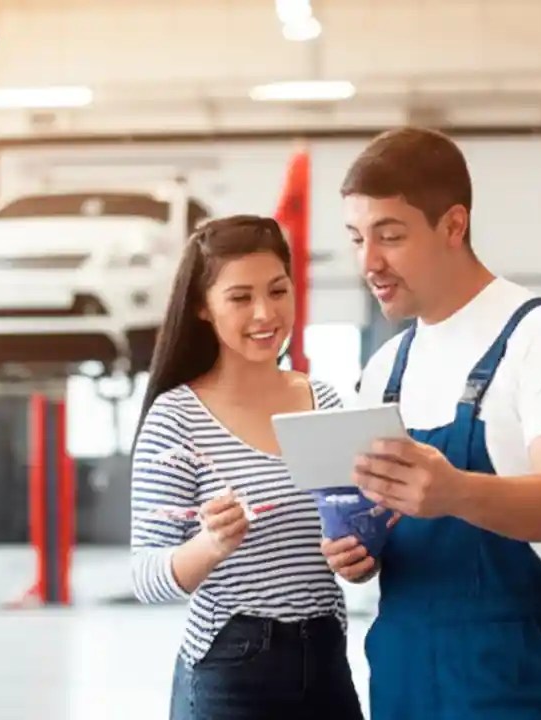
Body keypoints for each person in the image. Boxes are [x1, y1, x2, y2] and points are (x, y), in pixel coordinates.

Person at [321, 127, 541, 719]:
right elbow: (380, 523)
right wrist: (358, 551)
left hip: (518, 678)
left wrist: (455, 491)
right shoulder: (382, 371)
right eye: (357, 238)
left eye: (390, 236)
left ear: (454, 226)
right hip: (402, 676)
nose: (368, 262)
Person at [129, 214, 364, 720]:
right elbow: (145, 577)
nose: (265, 313)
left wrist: (361, 556)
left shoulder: (325, 401)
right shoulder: (176, 418)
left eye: (278, 291)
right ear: (202, 308)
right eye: (240, 298)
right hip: (230, 669)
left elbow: (355, 541)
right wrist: (210, 545)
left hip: (325, 658)